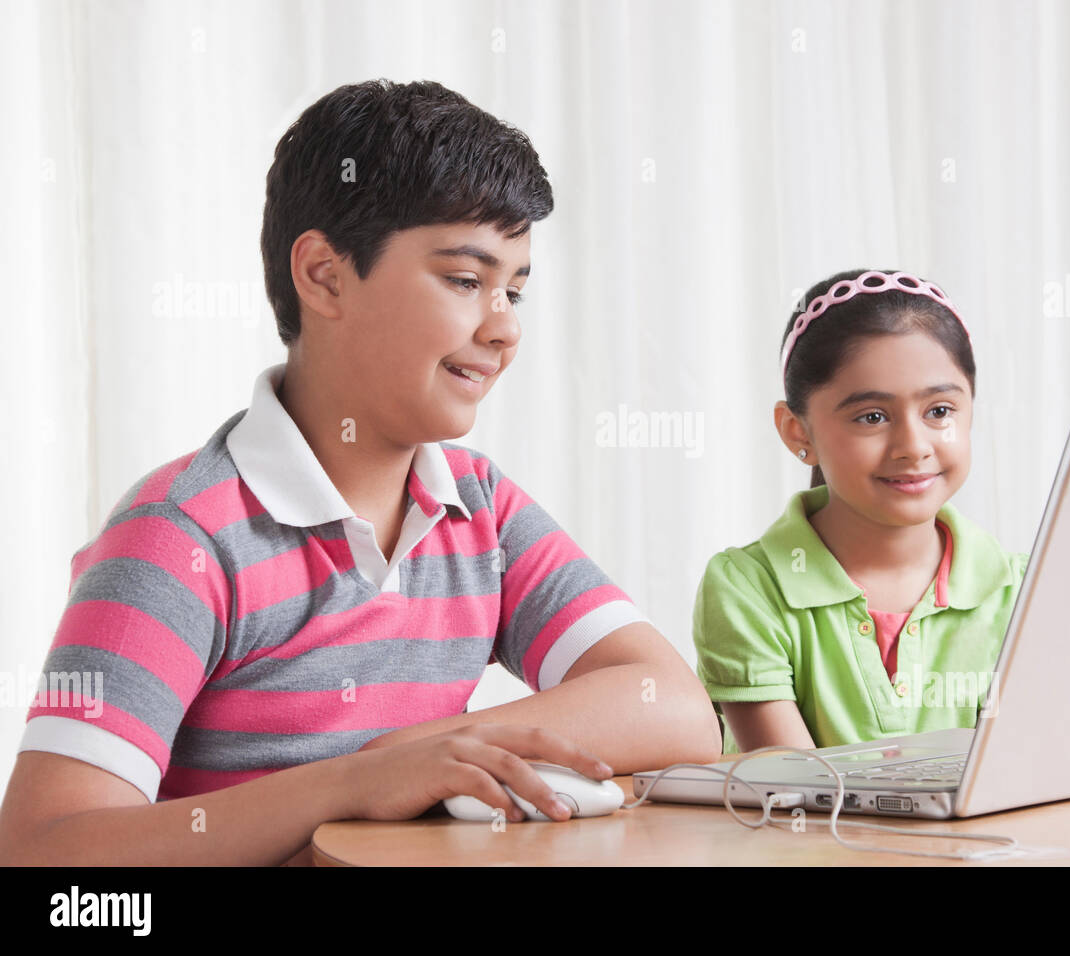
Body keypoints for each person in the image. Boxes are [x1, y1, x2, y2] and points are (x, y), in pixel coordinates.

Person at [0, 79, 720, 866]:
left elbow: (674, 707)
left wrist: (418, 756)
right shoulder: (179, 538)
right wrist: (354, 783)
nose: (505, 327)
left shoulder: (478, 506)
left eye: (514, 290)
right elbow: (44, 853)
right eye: (466, 280)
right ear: (324, 275)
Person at [693, 269, 1029, 753]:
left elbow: (1028, 769)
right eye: (872, 417)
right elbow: (801, 784)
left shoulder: (1023, 590)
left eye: (939, 411)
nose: (913, 446)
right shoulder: (747, 589)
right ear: (798, 432)